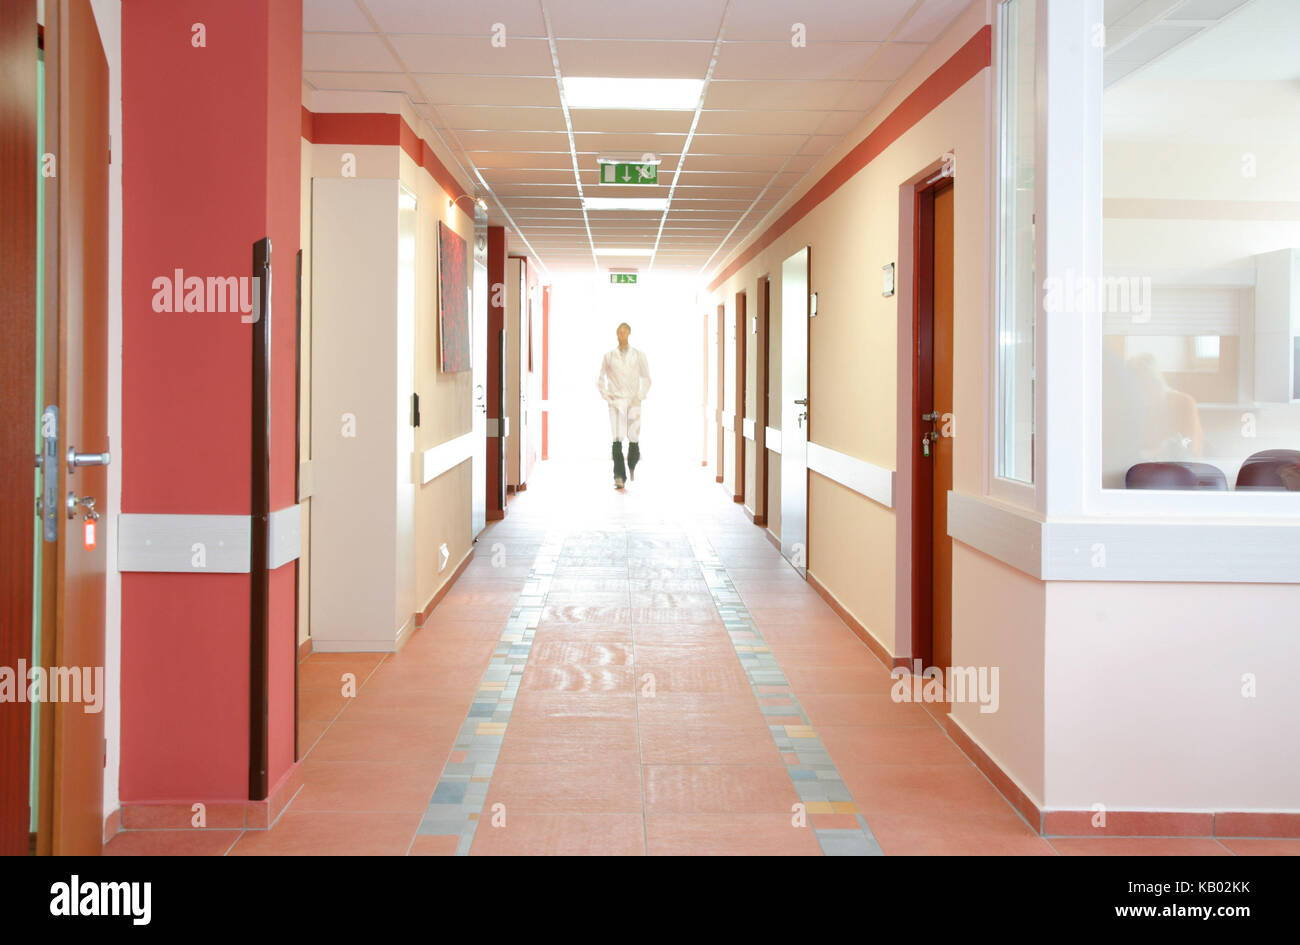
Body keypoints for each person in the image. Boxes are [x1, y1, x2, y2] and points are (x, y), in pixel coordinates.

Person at [596, 322, 651, 489]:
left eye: (625, 331)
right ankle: (619, 476)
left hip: (634, 401)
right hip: (616, 401)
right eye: (619, 331)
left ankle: (632, 465)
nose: (622, 334)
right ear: (616, 334)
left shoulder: (639, 355)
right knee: (617, 438)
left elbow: (646, 378)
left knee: (633, 438)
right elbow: (600, 379)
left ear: (629, 333)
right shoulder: (609, 356)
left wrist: (640, 396)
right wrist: (608, 397)